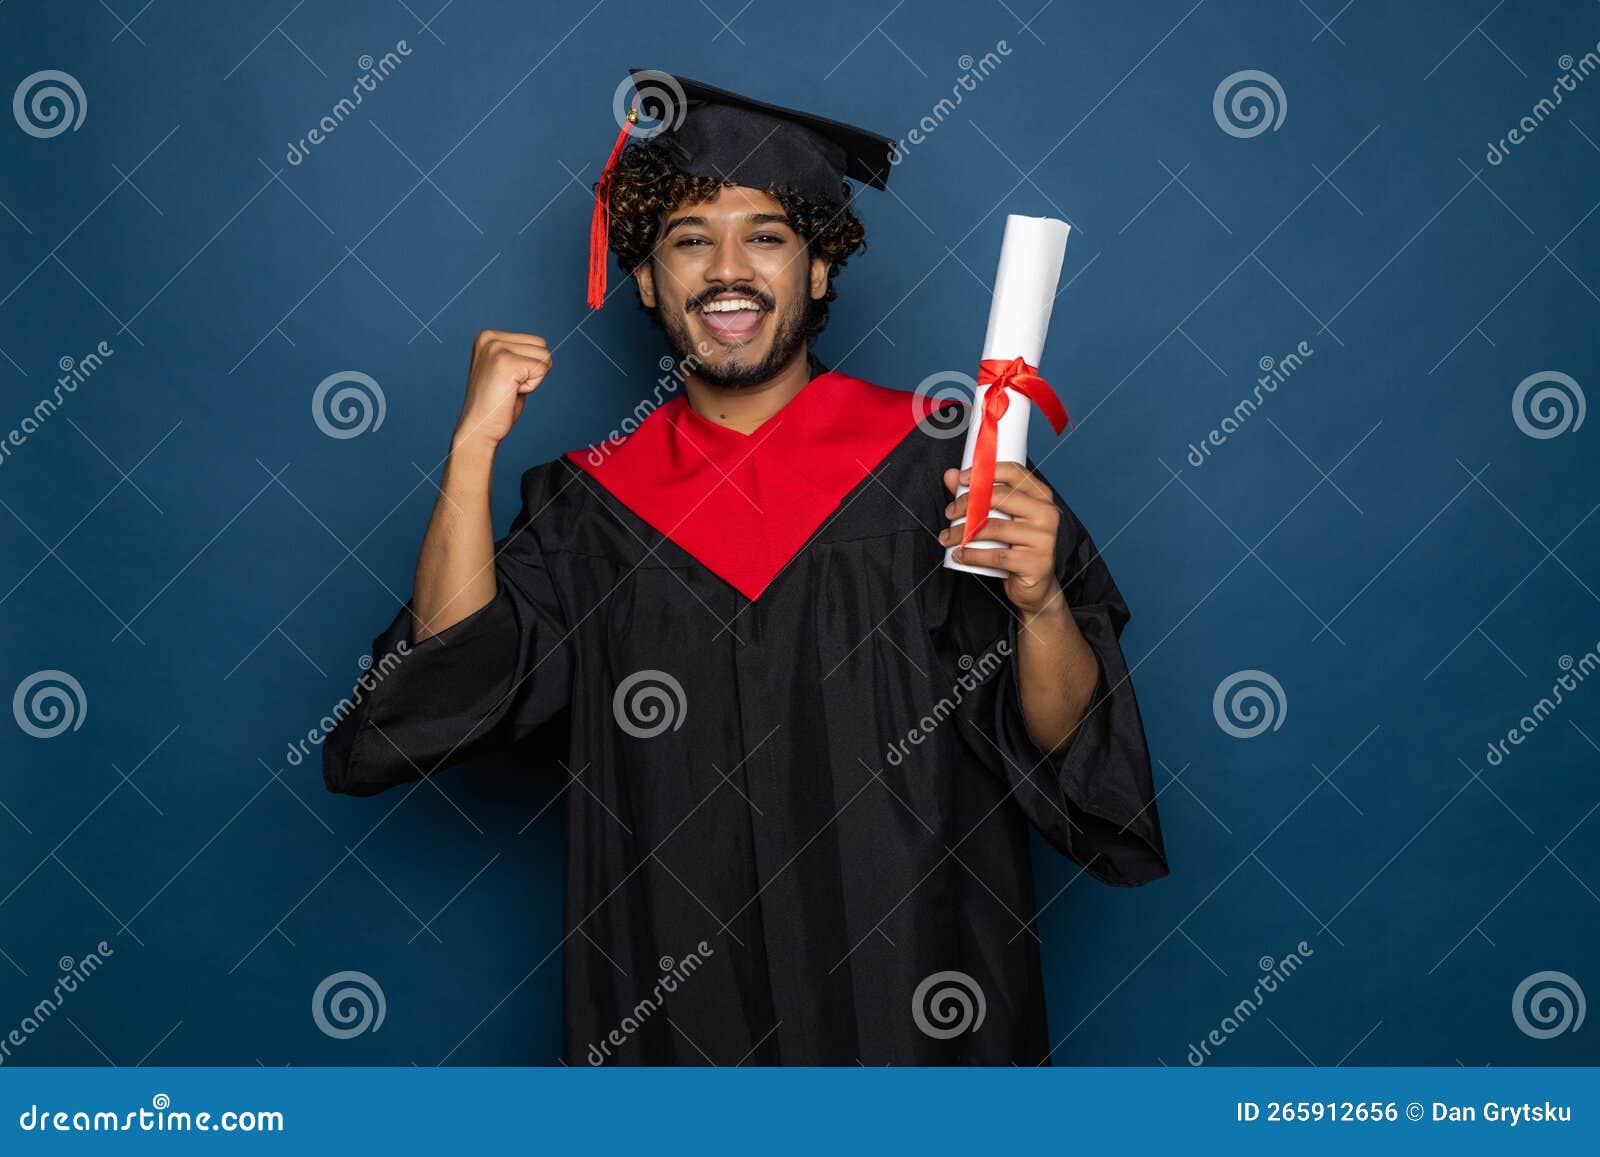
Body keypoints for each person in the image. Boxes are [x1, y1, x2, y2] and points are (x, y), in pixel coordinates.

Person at [322, 69, 1168, 1065]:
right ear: (645, 277)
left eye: (764, 234)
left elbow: (1073, 745)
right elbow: (447, 677)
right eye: (688, 239)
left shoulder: (947, 467)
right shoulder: (592, 507)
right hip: (674, 1006)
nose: (728, 269)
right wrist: (470, 454)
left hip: (920, 990)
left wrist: (1038, 607)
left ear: (816, 269)